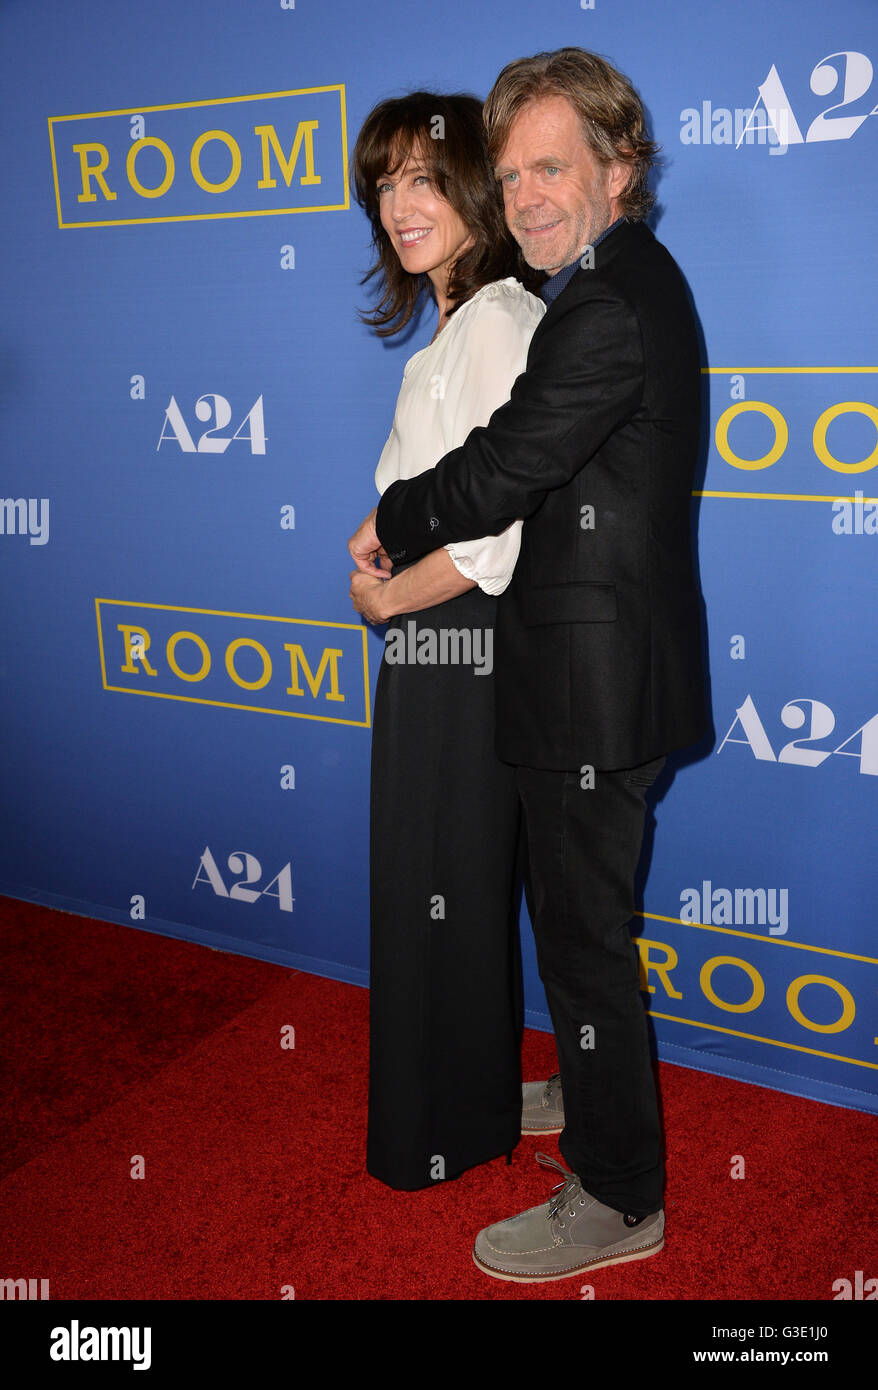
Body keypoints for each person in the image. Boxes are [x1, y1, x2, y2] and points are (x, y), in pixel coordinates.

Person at [349, 48, 709, 1281]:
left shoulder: (605, 303)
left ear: (621, 166)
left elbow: (509, 462)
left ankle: (618, 1194)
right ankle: (591, 1089)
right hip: (591, 672)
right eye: (508, 176)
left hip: (596, 688)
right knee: (574, 932)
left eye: (550, 167)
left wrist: (392, 523)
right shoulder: (609, 287)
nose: (527, 197)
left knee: (582, 942)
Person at [348, 92, 546, 1190]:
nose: (398, 204)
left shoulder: (496, 322)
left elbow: (494, 543)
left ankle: (443, 1129)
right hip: (438, 647)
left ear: (472, 185)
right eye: (383, 182)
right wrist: (381, 541)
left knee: (444, 881)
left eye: (423, 178)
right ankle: (459, 1106)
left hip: (456, 646)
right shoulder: (454, 322)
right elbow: (436, 500)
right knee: (439, 882)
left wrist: (388, 599)